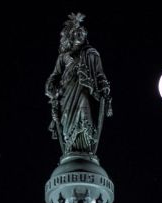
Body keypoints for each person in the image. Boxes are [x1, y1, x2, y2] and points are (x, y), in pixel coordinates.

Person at [45, 13, 112, 155]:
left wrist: (104, 86)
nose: (80, 35)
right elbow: (55, 75)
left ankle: (86, 146)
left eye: (82, 32)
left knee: (84, 104)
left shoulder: (91, 53)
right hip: (66, 92)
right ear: (71, 35)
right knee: (67, 120)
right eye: (77, 32)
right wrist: (51, 88)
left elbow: (99, 73)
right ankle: (71, 148)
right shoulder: (63, 56)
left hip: (86, 89)